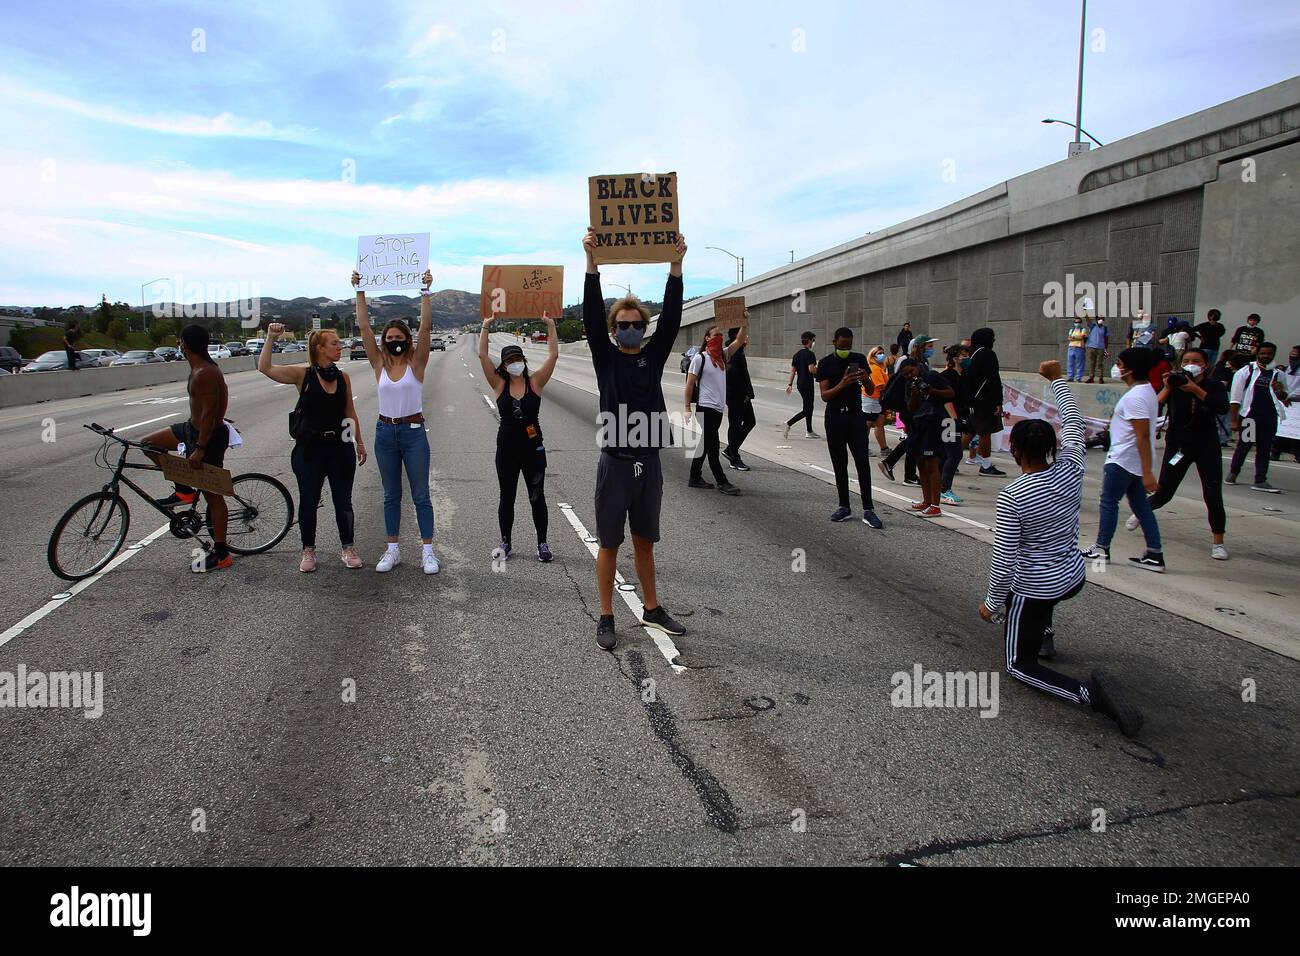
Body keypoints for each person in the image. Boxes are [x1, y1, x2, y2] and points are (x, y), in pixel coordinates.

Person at [980, 361, 1142, 737]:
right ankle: (1044, 633)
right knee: (1042, 587)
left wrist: (990, 604)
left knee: (1019, 664)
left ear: (1015, 450)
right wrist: (1057, 380)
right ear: (1052, 447)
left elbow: (1004, 563)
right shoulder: (1071, 465)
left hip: (1037, 586)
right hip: (1073, 576)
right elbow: (1072, 420)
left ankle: (1088, 695)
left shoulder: (1013, 496)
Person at [583, 227, 688, 651]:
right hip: (616, 462)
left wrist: (676, 267)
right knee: (609, 542)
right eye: (622, 324)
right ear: (613, 330)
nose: (630, 329)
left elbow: (674, 317)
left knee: (646, 541)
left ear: (644, 328)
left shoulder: (652, 355)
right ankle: (606, 615)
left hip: (650, 461)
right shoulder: (606, 359)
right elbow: (591, 316)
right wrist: (592, 265)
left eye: (636, 324)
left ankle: (652, 606)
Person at [259, 322, 366, 571]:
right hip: (310, 450)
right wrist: (270, 338)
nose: (340, 347)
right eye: (335, 344)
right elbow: (265, 368)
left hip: (339, 449)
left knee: (344, 501)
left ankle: (348, 547)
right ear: (320, 348)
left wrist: (359, 441)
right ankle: (308, 551)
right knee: (308, 501)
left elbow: (349, 410)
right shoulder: (303, 375)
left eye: (339, 343)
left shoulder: (343, 377)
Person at [353, 267, 438, 574]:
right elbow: (363, 327)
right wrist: (359, 290)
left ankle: (428, 551)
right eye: (389, 338)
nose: (394, 341)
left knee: (421, 495)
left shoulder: (417, 362)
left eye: (399, 337)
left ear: (407, 339)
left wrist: (426, 291)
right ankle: (393, 550)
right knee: (391, 494)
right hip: (385, 433)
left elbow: (426, 329)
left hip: (413, 432)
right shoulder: (380, 363)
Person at [143, 324, 232, 572]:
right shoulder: (198, 369)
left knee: (212, 495)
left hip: (208, 436)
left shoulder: (205, 372)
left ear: (186, 344)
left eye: (181, 342)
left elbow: (209, 412)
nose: (179, 346)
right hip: (191, 428)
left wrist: (201, 447)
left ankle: (222, 553)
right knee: (148, 444)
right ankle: (184, 491)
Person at [1132, 348, 1229, 560]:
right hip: (1179, 444)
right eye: (1186, 360)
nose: (1191, 363)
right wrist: (1168, 387)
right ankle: (1141, 510)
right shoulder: (1174, 382)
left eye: (1196, 360)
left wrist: (1195, 389)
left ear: (1205, 364)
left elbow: (1221, 407)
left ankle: (1218, 542)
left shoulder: (1214, 386)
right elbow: (1152, 407)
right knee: (1164, 491)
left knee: (1212, 494)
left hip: (1207, 445)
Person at [479, 310, 559, 561]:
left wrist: (550, 326)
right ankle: (506, 543)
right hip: (506, 449)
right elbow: (482, 355)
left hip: (533, 449)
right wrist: (485, 326)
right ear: (503, 365)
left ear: (523, 360)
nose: (514, 363)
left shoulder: (535, 383)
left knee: (537, 496)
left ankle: (542, 544)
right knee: (507, 496)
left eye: (517, 358)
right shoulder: (499, 384)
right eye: (509, 360)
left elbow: (553, 354)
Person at [1082, 347, 1165, 571]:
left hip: (1122, 460)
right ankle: (1154, 553)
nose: (1116, 368)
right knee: (1140, 506)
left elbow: (1143, 435)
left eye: (1119, 363)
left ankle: (1101, 547)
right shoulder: (1146, 390)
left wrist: (1148, 473)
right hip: (1133, 460)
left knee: (1108, 502)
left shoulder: (1136, 397)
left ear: (1131, 368)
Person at [817, 327, 884, 528]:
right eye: (842, 345)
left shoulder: (860, 359)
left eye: (849, 345)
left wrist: (865, 380)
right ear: (835, 342)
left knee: (862, 462)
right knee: (840, 464)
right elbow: (825, 395)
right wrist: (843, 383)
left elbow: (871, 390)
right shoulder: (826, 363)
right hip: (835, 418)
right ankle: (844, 506)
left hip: (856, 416)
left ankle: (868, 509)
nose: (846, 348)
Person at [685, 321, 744, 495]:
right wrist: (687, 407)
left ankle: (694, 477)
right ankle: (722, 481)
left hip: (718, 409)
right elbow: (689, 385)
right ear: (707, 338)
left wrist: (744, 321)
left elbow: (739, 340)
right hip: (705, 407)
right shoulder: (700, 358)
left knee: (705, 443)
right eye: (715, 335)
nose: (719, 337)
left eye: (720, 335)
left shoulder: (723, 357)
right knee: (713, 445)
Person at [898, 337, 954, 517]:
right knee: (920, 462)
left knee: (932, 464)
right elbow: (910, 408)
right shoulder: (909, 384)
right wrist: (915, 394)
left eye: (910, 371)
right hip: (918, 424)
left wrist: (932, 391)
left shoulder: (931, 376)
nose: (910, 375)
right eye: (905, 374)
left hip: (934, 423)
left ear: (916, 366)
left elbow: (950, 393)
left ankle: (935, 504)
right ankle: (926, 500)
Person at [1228, 342, 1290, 493]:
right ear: (1257, 354)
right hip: (1250, 416)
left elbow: (1284, 397)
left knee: (1264, 448)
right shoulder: (1246, 371)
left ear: (1273, 354)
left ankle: (1260, 479)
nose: (1266, 356)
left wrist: (1280, 391)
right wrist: (1234, 420)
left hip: (1269, 417)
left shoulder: (1279, 374)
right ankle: (1233, 473)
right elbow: (1235, 399)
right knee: (1245, 445)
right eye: (1263, 353)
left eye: (1269, 354)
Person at [965, 327, 1006, 477]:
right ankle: (986, 465)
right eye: (992, 337)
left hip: (971, 399)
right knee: (985, 432)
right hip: (984, 400)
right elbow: (993, 379)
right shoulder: (988, 354)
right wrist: (998, 401)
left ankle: (949, 458)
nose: (994, 340)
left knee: (970, 431)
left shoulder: (971, 353)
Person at [723, 323, 756, 471]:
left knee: (750, 421)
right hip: (736, 395)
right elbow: (733, 376)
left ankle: (731, 449)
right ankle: (734, 457)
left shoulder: (738, 351)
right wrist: (744, 394)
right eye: (744, 335)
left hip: (742, 395)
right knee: (735, 425)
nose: (747, 337)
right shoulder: (733, 353)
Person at [939, 344, 968, 506]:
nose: (966, 358)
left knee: (947, 454)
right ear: (955, 358)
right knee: (954, 454)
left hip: (954, 419)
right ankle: (944, 489)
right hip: (948, 420)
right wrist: (955, 419)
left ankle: (940, 487)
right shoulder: (949, 375)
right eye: (963, 355)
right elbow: (946, 399)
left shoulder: (961, 375)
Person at [783, 331, 819, 440]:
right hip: (807, 384)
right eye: (813, 340)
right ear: (809, 341)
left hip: (800, 384)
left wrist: (789, 384)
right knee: (808, 409)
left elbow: (793, 371)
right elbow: (811, 369)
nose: (814, 342)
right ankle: (789, 423)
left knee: (808, 407)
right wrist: (821, 371)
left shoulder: (797, 354)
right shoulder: (810, 354)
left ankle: (809, 431)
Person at [866, 345, 891, 453]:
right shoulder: (874, 368)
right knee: (870, 424)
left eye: (882, 353)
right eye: (879, 353)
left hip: (877, 400)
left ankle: (883, 448)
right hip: (873, 400)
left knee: (878, 424)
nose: (882, 355)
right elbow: (880, 386)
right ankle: (865, 448)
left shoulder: (879, 368)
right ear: (873, 356)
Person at [1084, 315, 1109, 383]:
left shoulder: (1105, 328)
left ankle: (1100, 378)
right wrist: (1085, 312)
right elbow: (1087, 320)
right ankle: (1091, 377)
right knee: (1092, 363)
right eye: (1099, 319)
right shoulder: (1093, 326)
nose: (1101, 320)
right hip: (1091, 347)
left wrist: (1105, 349)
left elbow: (1106, 339)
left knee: (1099, 363)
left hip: (1101, 348)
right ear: (1096, 320)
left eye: (1102, 319)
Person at [1066, 317, 1087, 382]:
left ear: (1081, 323)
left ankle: (1079, 377)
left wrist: (1073, 337)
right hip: (1071, 347)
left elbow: (1082, 337)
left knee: (1080, 364)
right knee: (1070, 363)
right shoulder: (1071, 330)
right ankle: (1070, 377)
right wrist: (1077, 337)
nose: (1077, 323)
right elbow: (1069, 338)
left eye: (1078, 322)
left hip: (1079, 348)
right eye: (1076, 322)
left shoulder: (1083, 330)